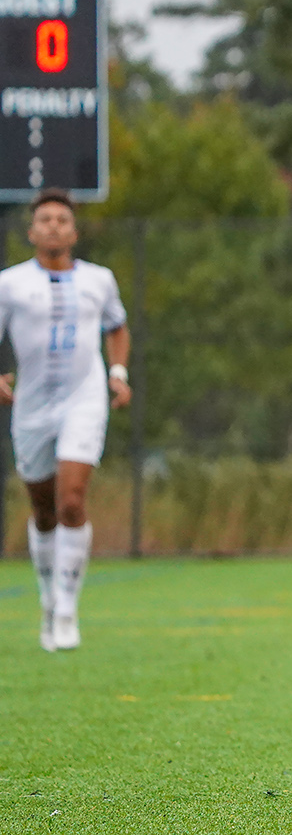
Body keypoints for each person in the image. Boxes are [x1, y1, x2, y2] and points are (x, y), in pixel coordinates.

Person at [0, 188, 131, 652]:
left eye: (62, 219)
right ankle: (48, 599)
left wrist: (117, 373)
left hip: (85, 398)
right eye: (45, 219)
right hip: (32, 406)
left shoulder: (99, 280)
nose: (54, 226)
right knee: (43, 509)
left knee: (72, 500)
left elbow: (116, 325)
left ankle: (68, 609)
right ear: (31, 230)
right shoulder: (10, 284)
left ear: (74, 231)